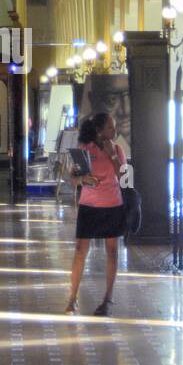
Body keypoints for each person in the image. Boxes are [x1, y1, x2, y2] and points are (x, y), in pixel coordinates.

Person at [65, 111, 126, 316]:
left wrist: (113, 155)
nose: (114, 131)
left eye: (114, 127)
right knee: (80, 251)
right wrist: (84, 180)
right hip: (89, 206)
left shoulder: (117, 149)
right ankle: (72, 298)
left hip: (112, 205)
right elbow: (74, 179)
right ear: (99, 131)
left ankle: (107, 298)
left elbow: (123, 177)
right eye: (110, 127)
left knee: (112, 251)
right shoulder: (85, 150)